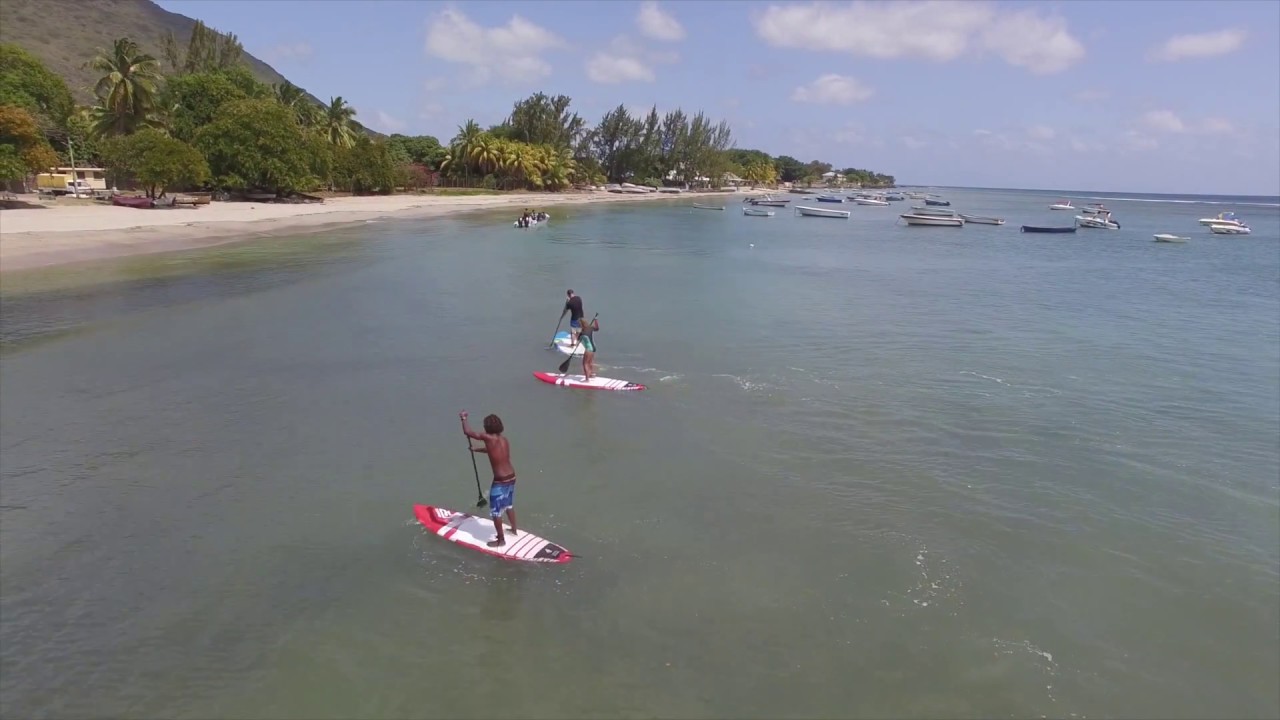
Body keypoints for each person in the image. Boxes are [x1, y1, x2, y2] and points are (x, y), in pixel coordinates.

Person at [460, 411, 518, 547]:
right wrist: (476, 450)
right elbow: (492, 450)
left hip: (500, 480)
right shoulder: (504, 440)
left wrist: (464, 418)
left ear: (487, 427)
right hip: (512, 476)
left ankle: (501, 540)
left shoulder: (487, 437)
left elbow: (468, 432)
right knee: (508, 504)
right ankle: (514, 529)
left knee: (496, 511)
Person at [578, 315, 599, 380]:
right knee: (590, 362)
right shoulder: (591, 328)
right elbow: (597, 328)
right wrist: (596, 320)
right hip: (594, 348)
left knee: (585, 363)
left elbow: (578, 339)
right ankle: (590, 374)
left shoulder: (582, 332)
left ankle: (587, 379)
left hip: (588, 349)